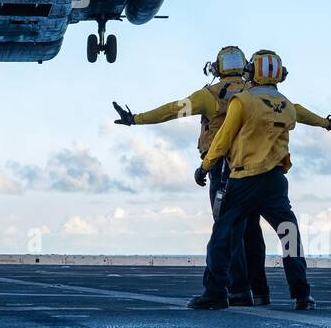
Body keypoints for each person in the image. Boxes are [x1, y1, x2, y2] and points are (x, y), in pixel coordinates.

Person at [189, 49, 331, 311]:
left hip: (243, 181)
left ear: (251, 72)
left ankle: (215, 294)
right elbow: (301, 113)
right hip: (275, 183)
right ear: (280, 75)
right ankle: (301, 295)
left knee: (222, 238)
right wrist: (325, 123)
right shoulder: (286, 106)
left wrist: (205, 167)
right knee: (290, 236)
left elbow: (222, 140)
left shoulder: (241, 102)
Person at [112, 45, 272, 306]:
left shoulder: (209, 95)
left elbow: (173, 110)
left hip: (222, 169)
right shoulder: (253, 93)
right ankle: (261, 290)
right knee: (251, 231)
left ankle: (238, 291)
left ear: (217, 68)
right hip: (255, 169)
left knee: (226, 231)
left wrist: (135, 119)